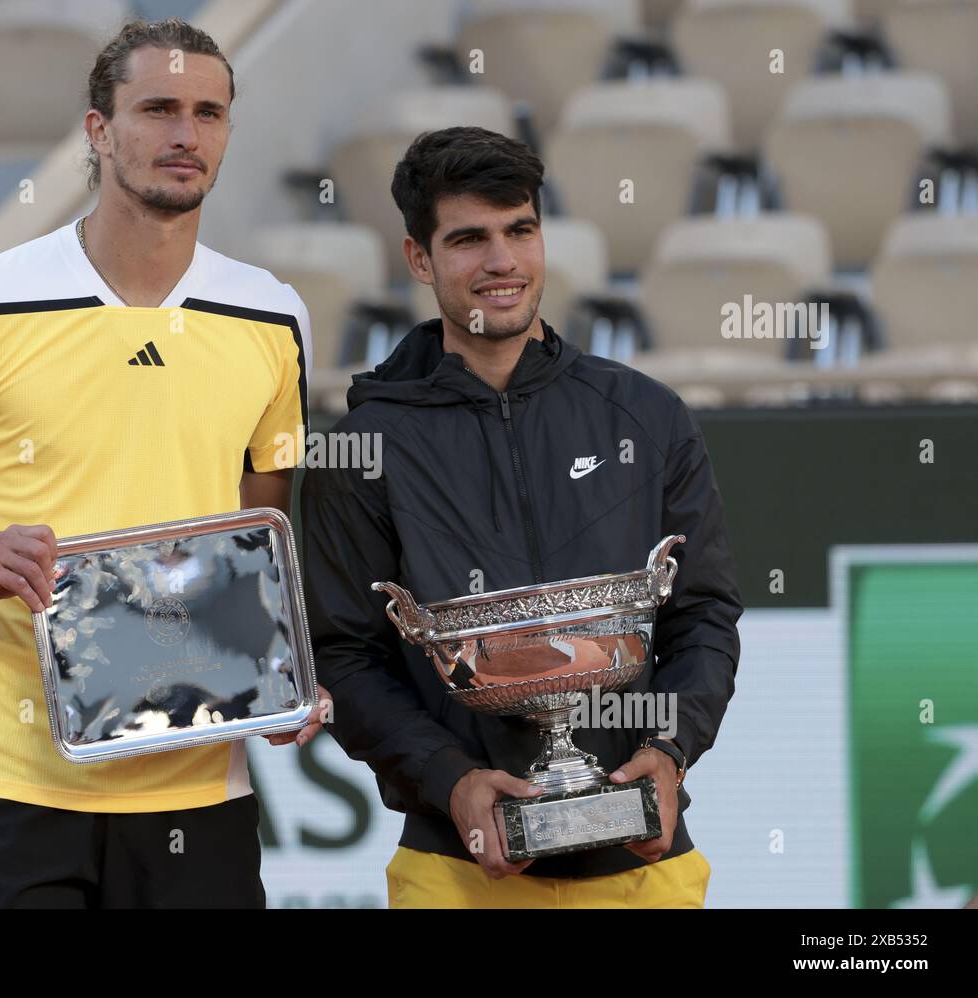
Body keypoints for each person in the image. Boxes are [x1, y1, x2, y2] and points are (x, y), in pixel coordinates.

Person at [0, 18, 326, 909]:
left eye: (209, 113)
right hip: (16, 795)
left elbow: (261, 541)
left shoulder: (273, 315)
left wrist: (286, 682)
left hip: (202, 800)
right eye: (158, 108)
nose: (185, 134)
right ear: (98, 131)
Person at [299, 126, 743, 908]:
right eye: (469, 239)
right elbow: (343, 655)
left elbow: (702, 613)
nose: (501, 261)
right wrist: (454, 781)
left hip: (647, 871)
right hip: (456, 873)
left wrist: (670, 752)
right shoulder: (364, 449)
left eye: (520, 231)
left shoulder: (646, 415)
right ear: (419, 259)